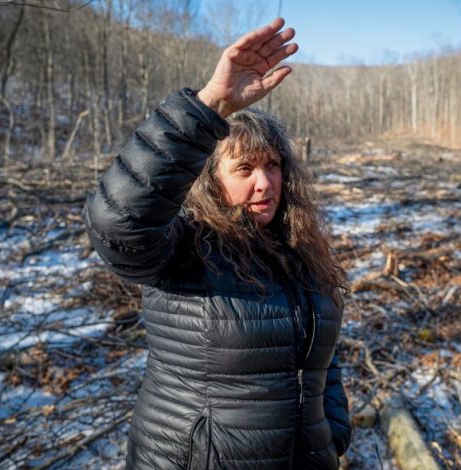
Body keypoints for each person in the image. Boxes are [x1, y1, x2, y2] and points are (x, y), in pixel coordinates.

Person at [83, 17, 351, 470]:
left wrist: (332, 432)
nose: (265, 183)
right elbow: (117, 223)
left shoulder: (297, 247)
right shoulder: (185, 248)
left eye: (273, 165)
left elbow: (321, 355)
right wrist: (209, 106)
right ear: (209, 180)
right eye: (244, 170)